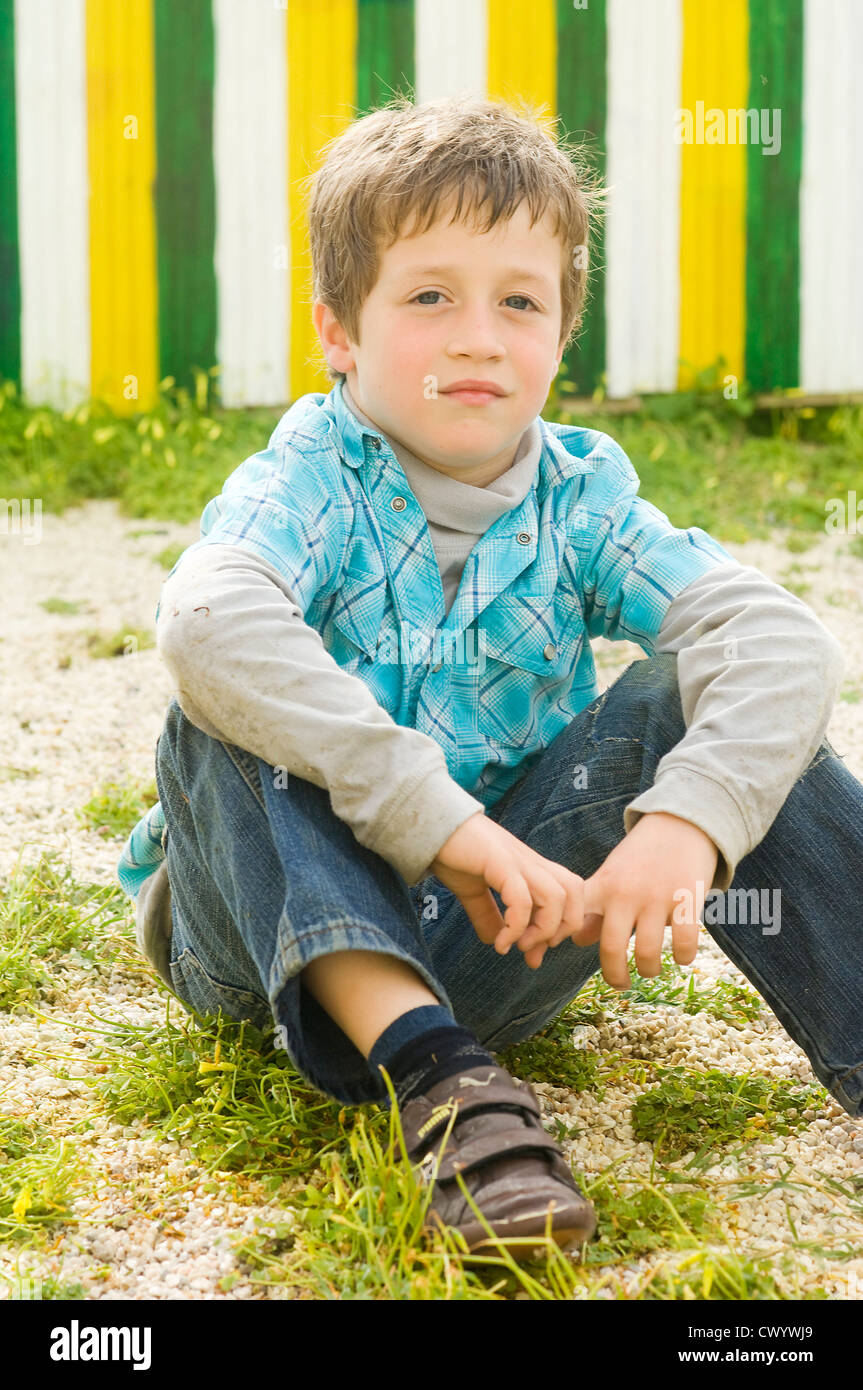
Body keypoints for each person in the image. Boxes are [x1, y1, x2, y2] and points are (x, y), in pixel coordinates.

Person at [118, 94, 857, 1259]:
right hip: (267, 946)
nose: (477, 337)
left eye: (519, 301)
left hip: (496, 936)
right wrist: (441, 823)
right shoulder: (314, 475)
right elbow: (207, 619)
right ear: (339, 331)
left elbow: (778, 641)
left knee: (706, 693)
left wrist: (686, 826)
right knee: (225, 708)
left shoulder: (580, 495)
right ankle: (443, 1088)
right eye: (428, 296)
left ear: (562, 336)